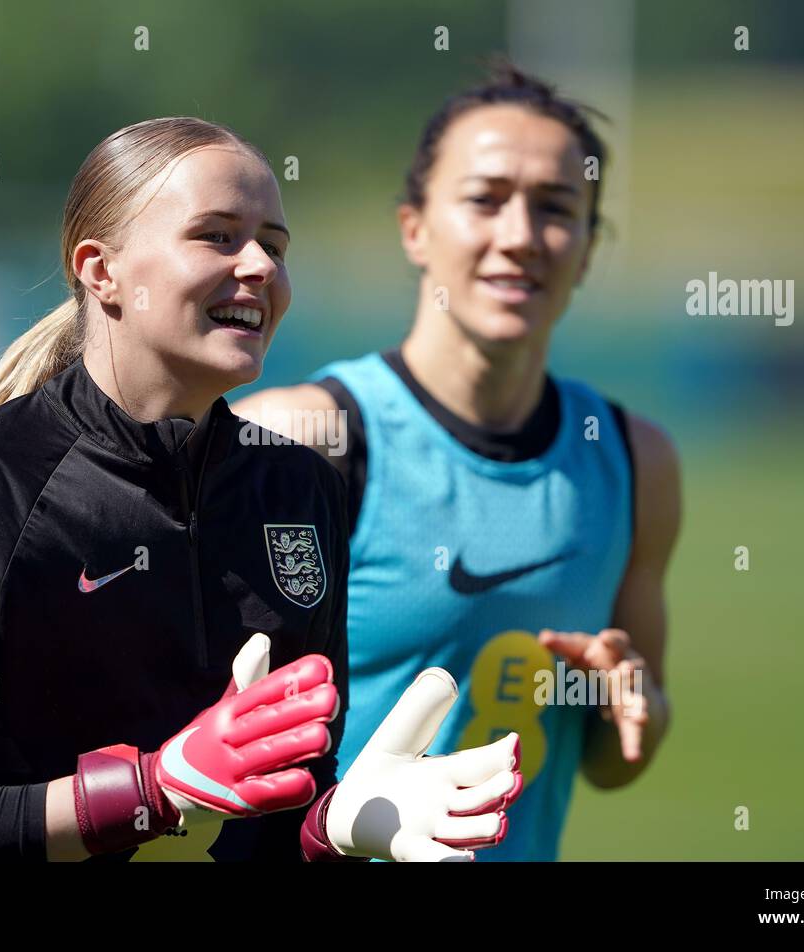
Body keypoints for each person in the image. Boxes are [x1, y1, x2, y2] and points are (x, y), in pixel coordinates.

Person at [0, 117, 521, 862]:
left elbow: (266, 819)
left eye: (274, 246)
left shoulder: (299, 489)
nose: (258, 266)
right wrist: (147, 791)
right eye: (218, 235)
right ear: (100, 270)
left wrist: (336, 825)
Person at [234, 63, 682, 861]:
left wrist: (630, 701)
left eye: (555, 208)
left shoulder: (635, 460)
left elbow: (613, 764)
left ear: (587, 248)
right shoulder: (302, 437)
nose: (518, 235)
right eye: (485, 199)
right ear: (415, 227)